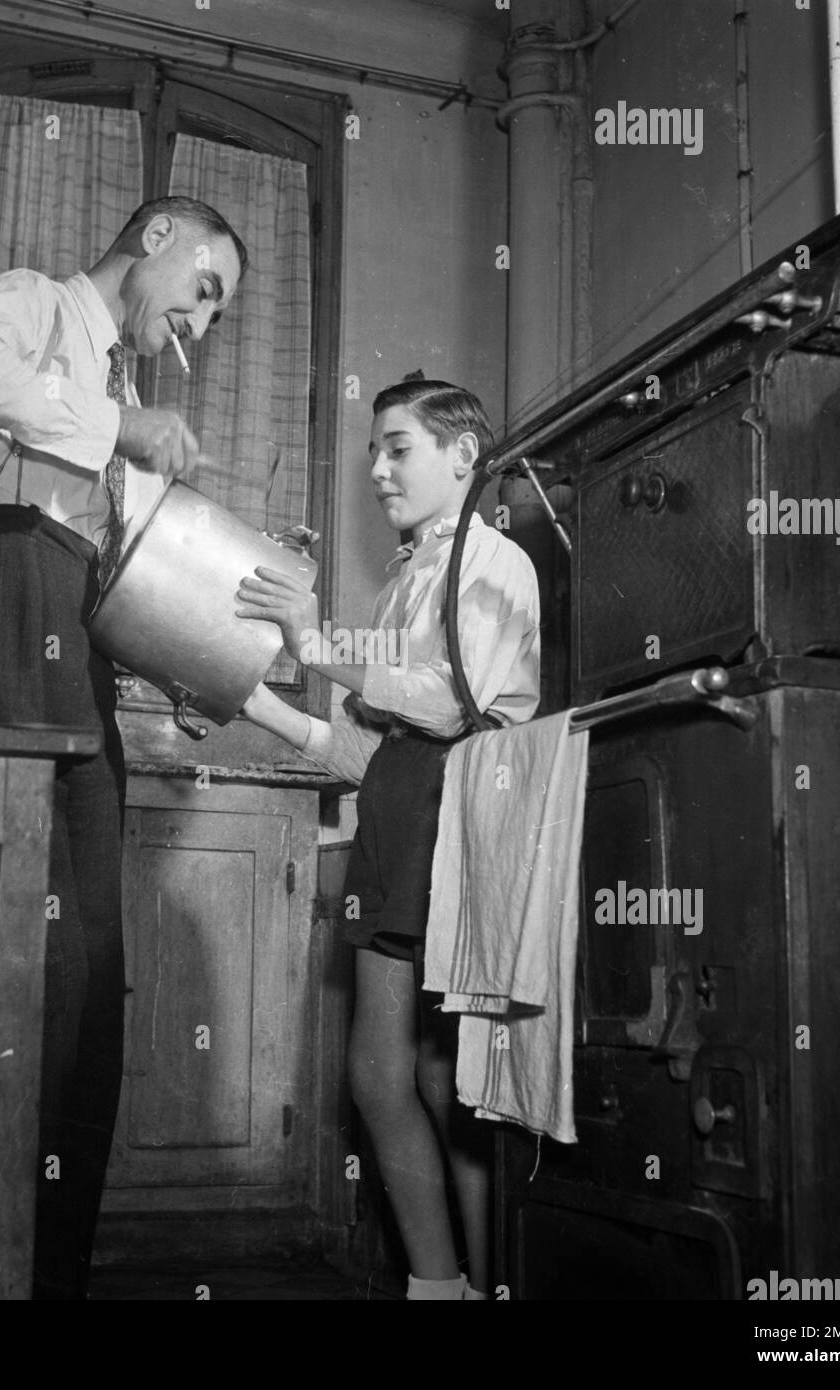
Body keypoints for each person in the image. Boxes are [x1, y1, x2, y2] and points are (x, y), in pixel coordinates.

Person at [0, 195, 247, 1299]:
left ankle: (48, 1268)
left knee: (91, 969)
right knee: (19, 953)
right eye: (204, 287)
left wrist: (203, 663)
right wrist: (118, 433)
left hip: (72, 640)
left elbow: (122, 586)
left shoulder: (125, 394)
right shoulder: (35, 304)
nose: (200, 319)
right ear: (156, 240)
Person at [236, 377, 540, 1300]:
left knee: (453, 1089)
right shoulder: (402, 579)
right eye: (374, 450)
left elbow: (452, 702)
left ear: (463, 456)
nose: (376, 469)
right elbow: (366, 750)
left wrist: (316, 641)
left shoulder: (495, 563)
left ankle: (488, 1286)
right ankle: (435, 1285)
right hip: (398, 812)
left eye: (396, 447)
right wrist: (250, 701)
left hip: (461, 816)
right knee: (376, 1075)